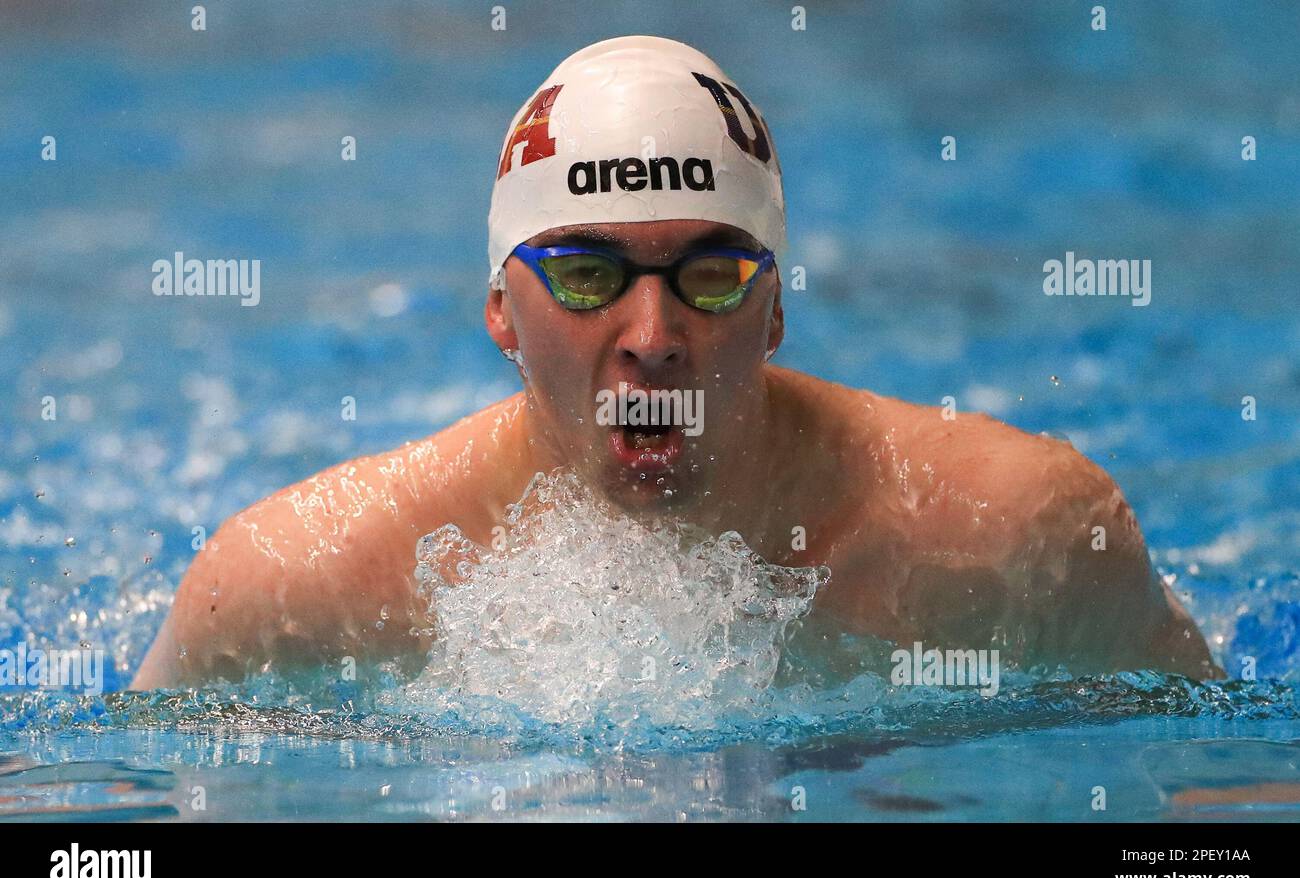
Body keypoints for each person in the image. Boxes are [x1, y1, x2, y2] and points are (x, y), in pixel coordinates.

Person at [130, 35, 1218, 690]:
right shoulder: (293, 587)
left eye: (709, 272)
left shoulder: (1016, 535)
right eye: (588, 274)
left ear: (777, 307)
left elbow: (1216, 809)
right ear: (501, 314)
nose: (653, 335)